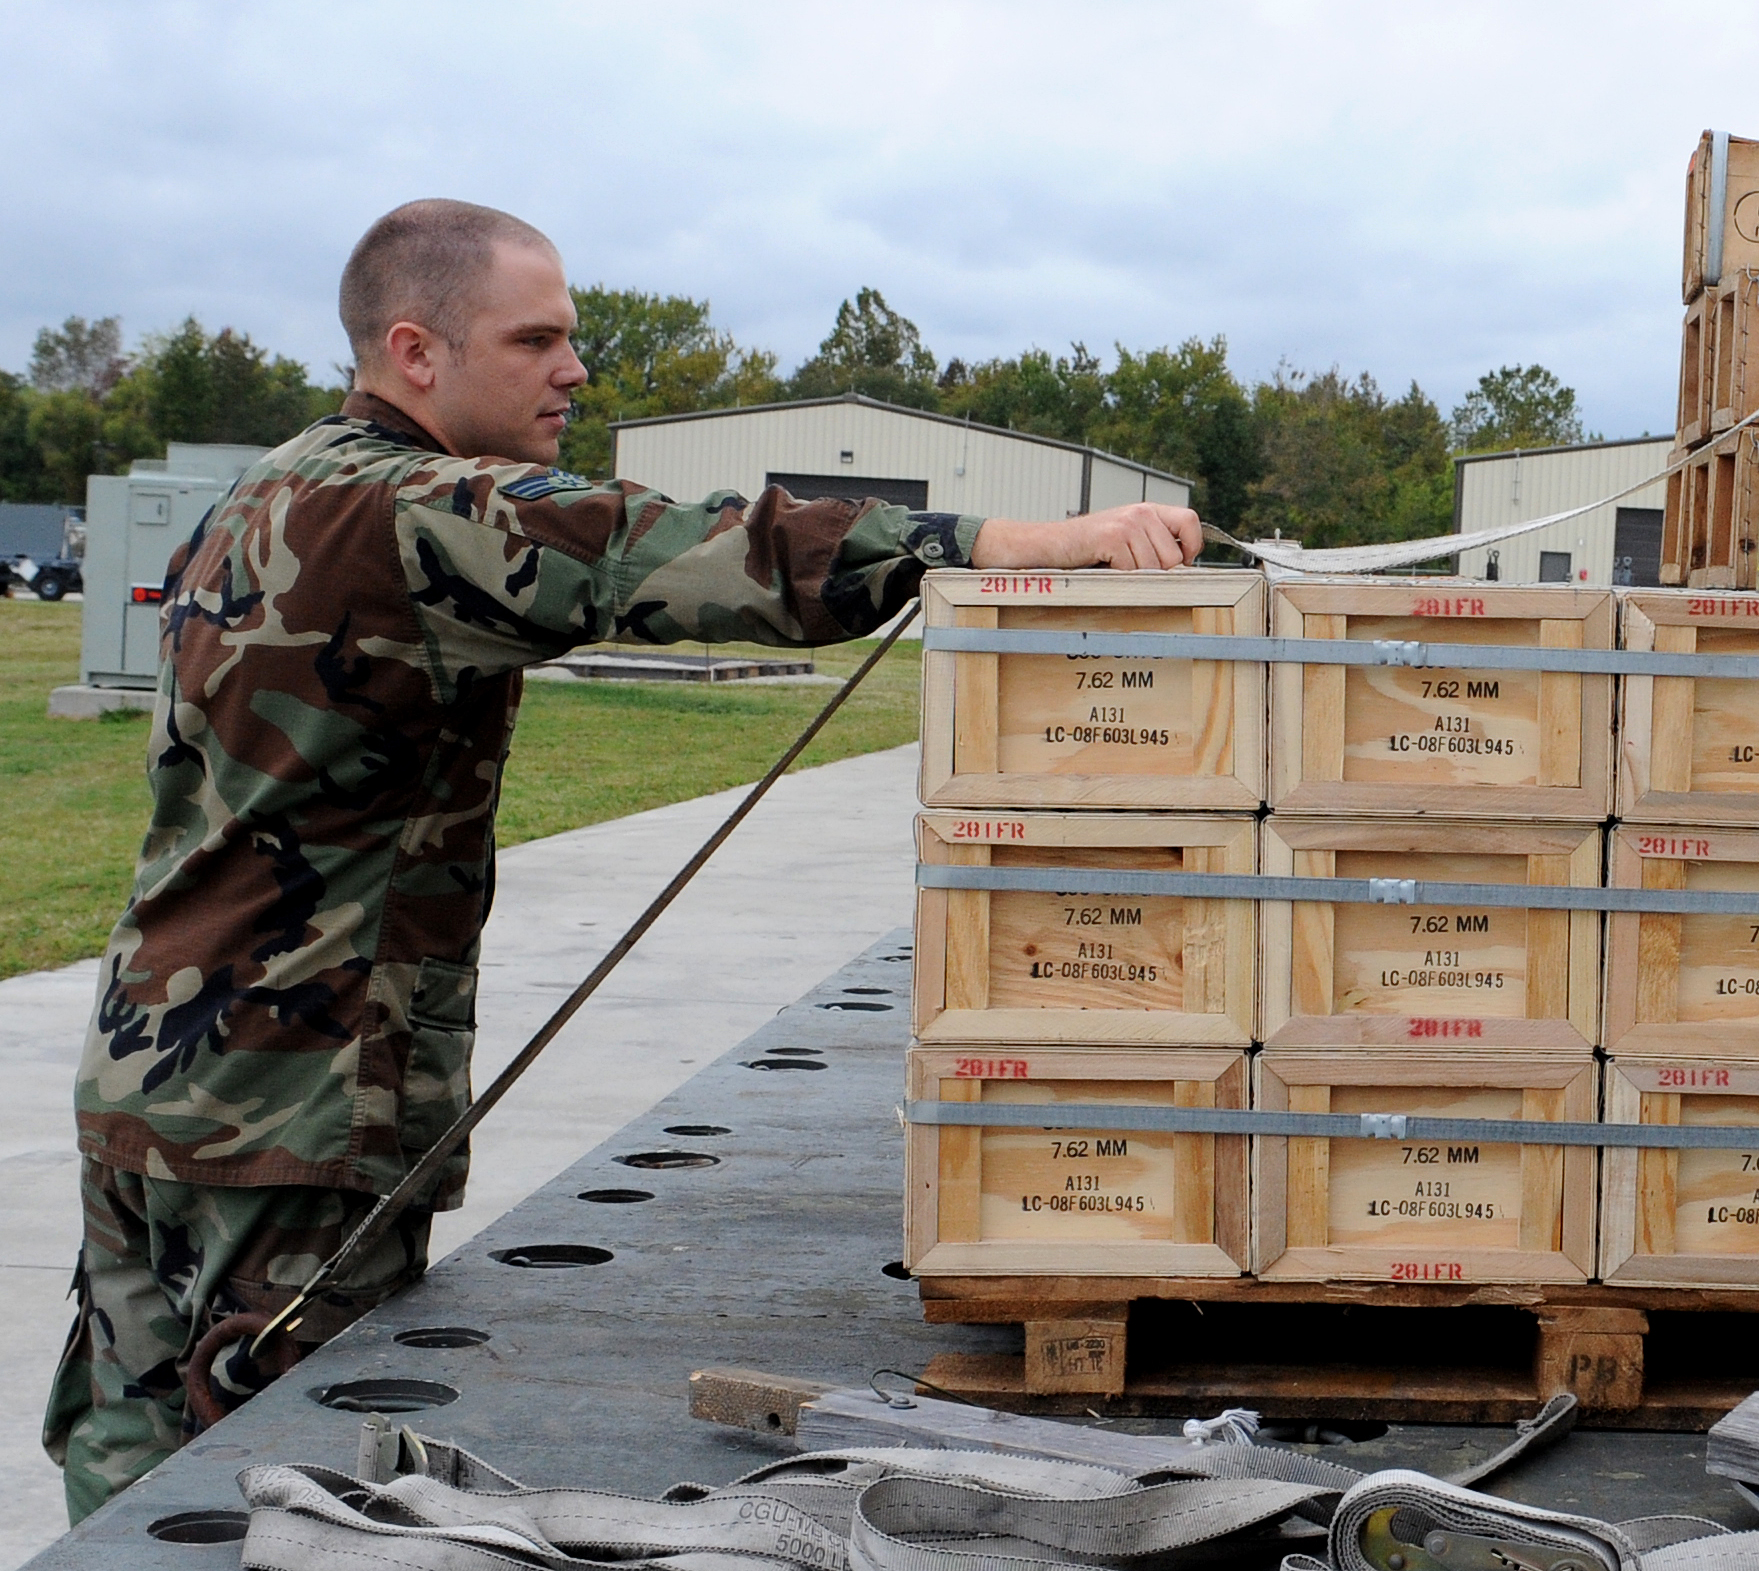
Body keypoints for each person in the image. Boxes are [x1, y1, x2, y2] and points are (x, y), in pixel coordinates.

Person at [49, 198, 1203, 1518]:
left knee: (134, 1486)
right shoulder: (405, 511)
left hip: (147, 1081)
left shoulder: (267, 488)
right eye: (536, 339)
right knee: (298, 1501)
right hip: (289, 1109)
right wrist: (1001, 544)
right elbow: (676, 555)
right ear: (414, 351)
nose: (574, 371)